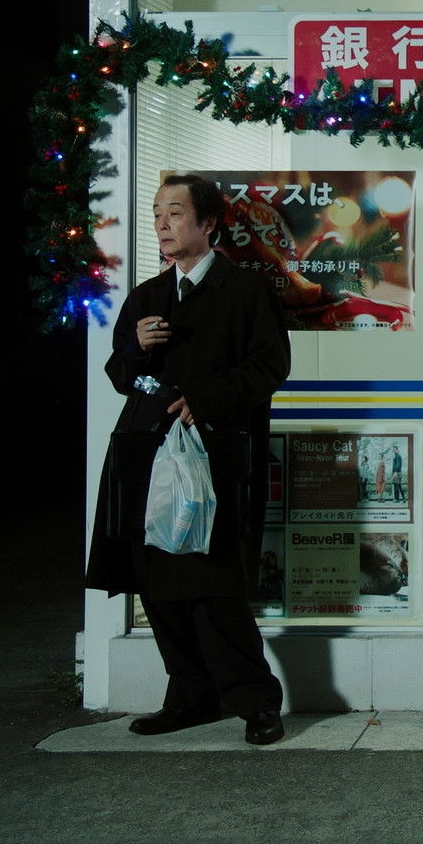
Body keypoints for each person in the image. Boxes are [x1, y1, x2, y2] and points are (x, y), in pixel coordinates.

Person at [86, 174, 291, 746]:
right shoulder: (148, 296)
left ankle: (256, 703)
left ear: (208, 224)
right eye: (157, 215)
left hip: (215, 453)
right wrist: (137, 349)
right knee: (156, 582)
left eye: (175, 214)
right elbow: (120, 374)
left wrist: (203, 401)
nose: (163, 225)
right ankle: (191, 696)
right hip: (146, 454)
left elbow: (270, 366)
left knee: (215, 584)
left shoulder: (245, 290)